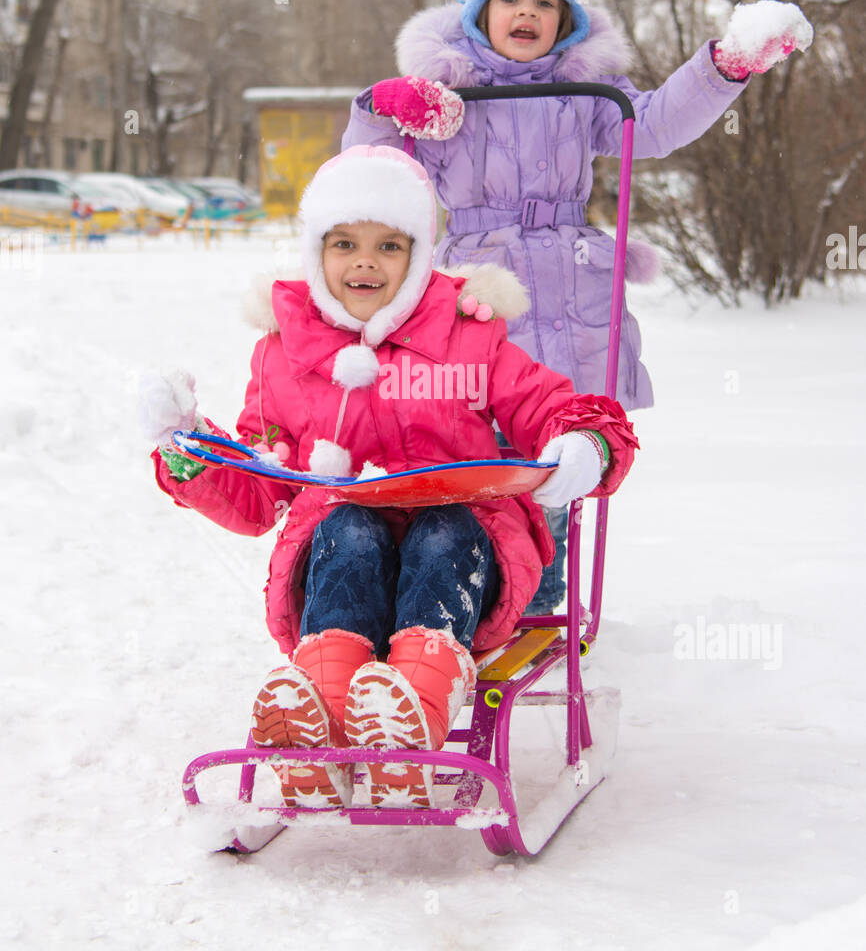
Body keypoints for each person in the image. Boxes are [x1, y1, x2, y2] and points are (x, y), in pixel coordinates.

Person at [139, 145, 638, 810]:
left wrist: (584, 442)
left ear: (420, 251)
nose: (364, 261)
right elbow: (261, 488)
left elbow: (544, 402)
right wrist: (187, 448)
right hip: (340, 560)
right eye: (343, 243)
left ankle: (413, 716)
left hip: (464, 557)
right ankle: (324, 712)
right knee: (346, 527)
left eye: (388, 245)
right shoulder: (285, 354)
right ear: (316, 253)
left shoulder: (469, 333)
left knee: (441, 530)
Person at [341, 0, 813, 609]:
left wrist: (725, 65)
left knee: (553, 456)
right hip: (480, 289)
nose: (527, 14)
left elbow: (650, 124)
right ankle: (459, 589)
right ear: (481, 8)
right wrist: (383, 111)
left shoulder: (584, 90)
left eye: (545, 2)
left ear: (566, 20)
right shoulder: (447, 94)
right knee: (481, 451)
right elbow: (372, 175)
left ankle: (536, 599)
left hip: (570, 293)